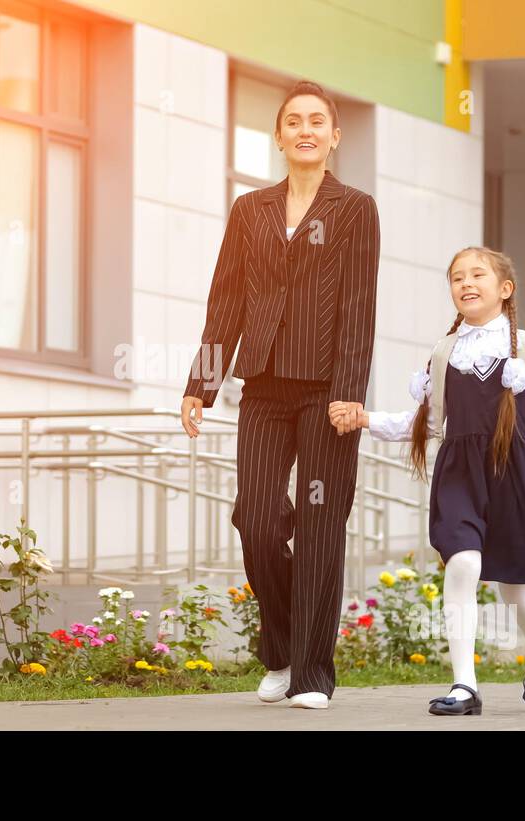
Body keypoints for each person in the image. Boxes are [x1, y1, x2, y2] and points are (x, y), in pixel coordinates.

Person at [180, 80, 381, 709]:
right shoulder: (250, 211)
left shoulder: (355, 210)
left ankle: (313, 674)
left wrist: (351, 393)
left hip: (327, 393)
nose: (305, 130)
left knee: (321, 526)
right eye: (293, 120)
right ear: (278, 136)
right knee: (258, 519)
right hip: (263, 384)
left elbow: (358, 309)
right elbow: (226, 302)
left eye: (317, 121)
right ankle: (281, 649)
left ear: (334, 136)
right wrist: (201, 382)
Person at [330, 246, 525, 715]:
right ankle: (465, 685)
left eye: (476, 275)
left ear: (504, 289)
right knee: (462, 564)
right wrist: (366, 419)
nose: (465, 283)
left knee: (516, 589)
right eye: (456, 278)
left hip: (514, 474)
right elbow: (427, 422)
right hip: (459, 474)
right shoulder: (444, 351)